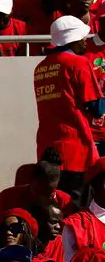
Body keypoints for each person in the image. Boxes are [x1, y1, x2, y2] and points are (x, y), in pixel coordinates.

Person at [34, 16, 102, 191]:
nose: (86, 42)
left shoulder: (41, 68)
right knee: (74, 207)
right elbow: (97, 108)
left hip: (47, 149)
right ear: (73, 40)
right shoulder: (78, 63)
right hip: (75, 149)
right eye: (82, 38)